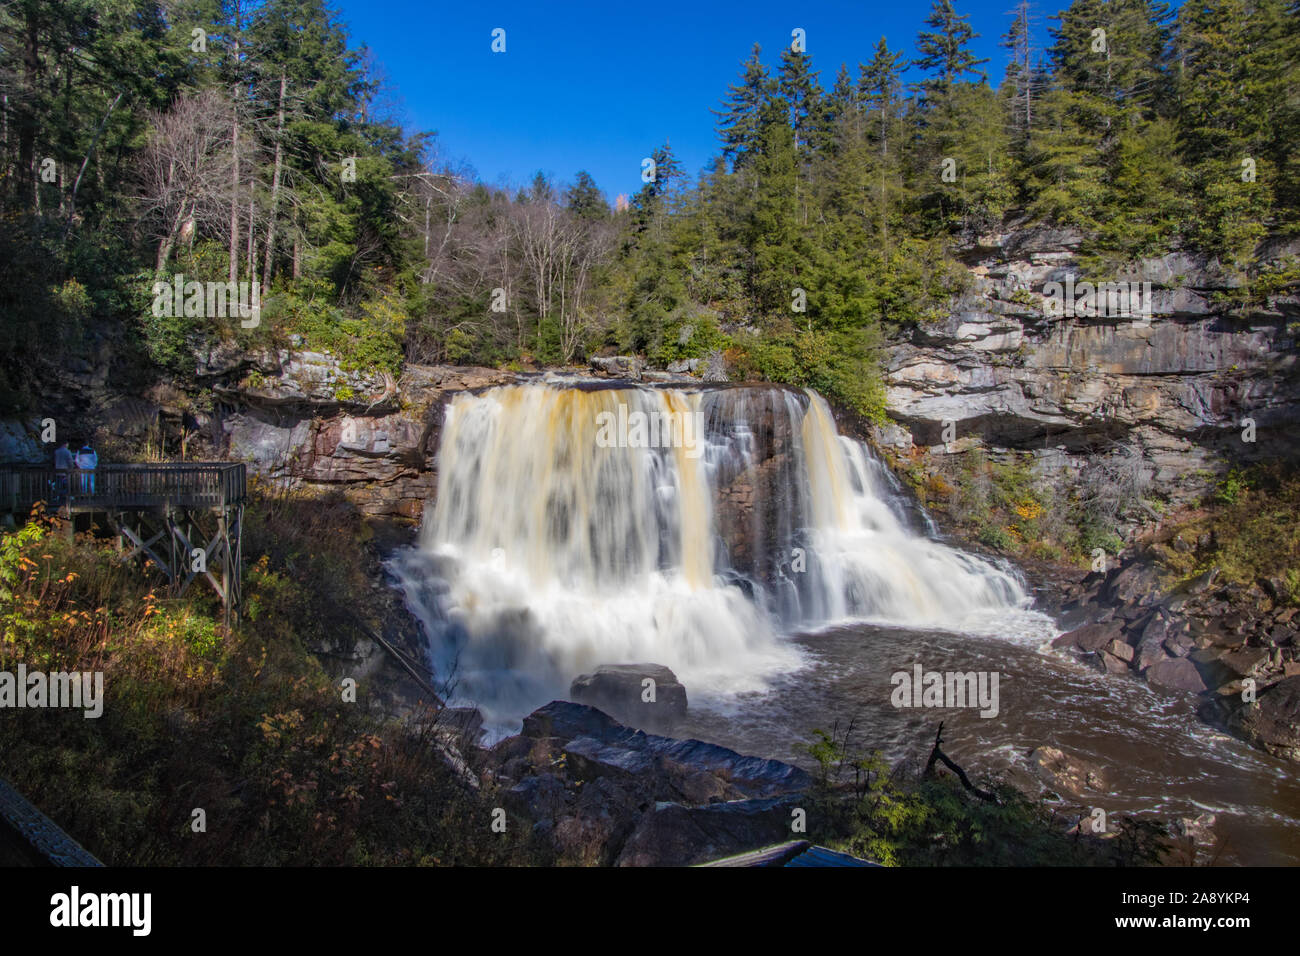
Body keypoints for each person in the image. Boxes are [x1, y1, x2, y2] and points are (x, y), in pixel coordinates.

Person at [53, 440, 73, 505]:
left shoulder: (56, 451)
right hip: (65, 471)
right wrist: (71, 468)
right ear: (65, 444)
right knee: (66, 485)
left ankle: (57, 496)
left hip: (58, 471)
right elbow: (70, 461)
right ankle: (67, 496)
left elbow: (54, 461)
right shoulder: (67, 452)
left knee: (58, 485)